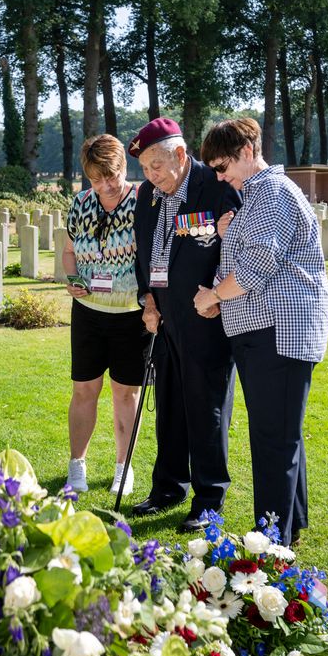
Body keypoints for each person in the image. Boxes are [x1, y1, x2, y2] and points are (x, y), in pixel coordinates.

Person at [194, 117, 328, 547]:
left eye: (222, 167)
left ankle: (270, 543)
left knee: (274, 438)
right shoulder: (255, 195)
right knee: (280, 433)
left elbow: (257, 267)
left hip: (279, 330)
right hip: (264, 328)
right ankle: (290, 526)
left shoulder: (271, 193)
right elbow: (246, 257)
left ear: (247, 151)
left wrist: (213, 296)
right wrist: (226, 235)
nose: (220, 177)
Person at [129, 117, 241, 533]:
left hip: (205, 315)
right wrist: (148, 298)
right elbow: (144, 252)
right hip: (163, 316)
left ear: (180, 154)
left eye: (156, 166)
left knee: (206, 408)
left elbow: (236, 248)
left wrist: (218, 297)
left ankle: (209, 499)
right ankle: (169, 487)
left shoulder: (216, 186)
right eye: (145, 168)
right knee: (170, 406)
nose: (151, 176)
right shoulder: (147, 194)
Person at [63, 135, 146, 495]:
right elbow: (69, 252)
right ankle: (76, 465)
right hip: (88, 313)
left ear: (124, 167)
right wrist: (72, 279)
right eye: (96, 179)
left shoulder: (144, 200)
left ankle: (123, 468)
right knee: (84, 389)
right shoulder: (80, 203)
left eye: (111, 176)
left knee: (125, 393)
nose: (105, 186)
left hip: (131, 314)